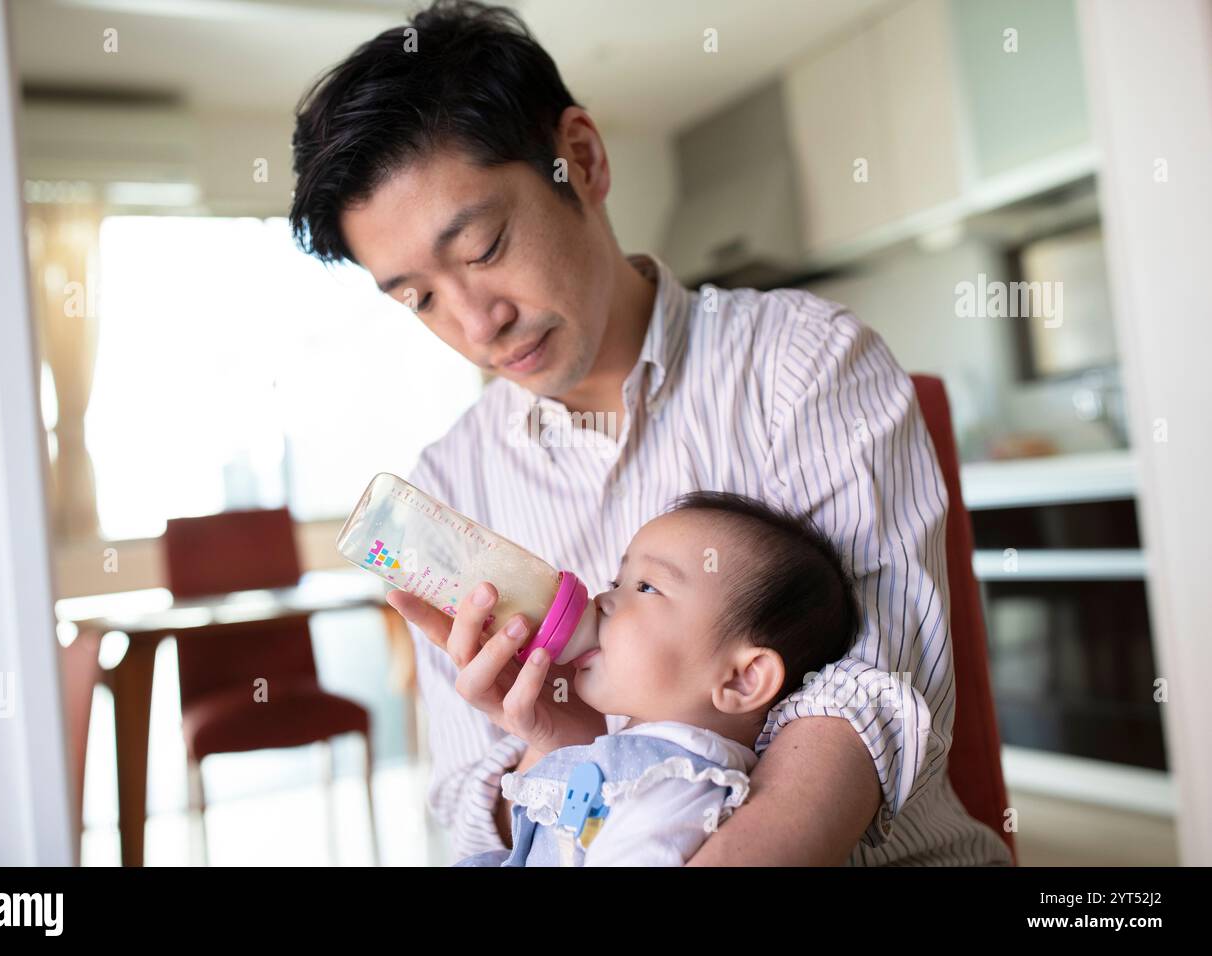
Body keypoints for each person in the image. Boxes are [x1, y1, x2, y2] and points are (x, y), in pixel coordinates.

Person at [289, 0, 1013, 866]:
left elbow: (866, 699)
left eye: (482, 247)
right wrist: (552, 740)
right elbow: (466, 801)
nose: (477, 324)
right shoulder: (452, 487)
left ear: (582, 160)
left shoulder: (801, 364)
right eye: (419, 297)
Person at [455, 490, 862, 867]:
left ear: (741, 679)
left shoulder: (675, 783)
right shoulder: (630, 762)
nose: (602, 600)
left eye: (647, 587)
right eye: (617, 583)